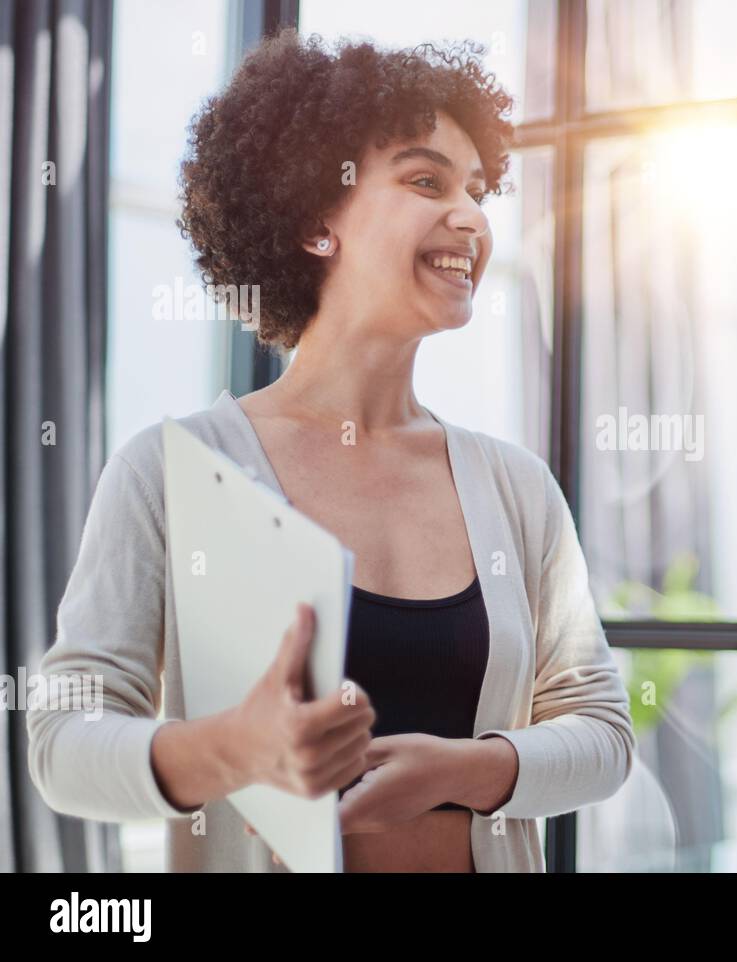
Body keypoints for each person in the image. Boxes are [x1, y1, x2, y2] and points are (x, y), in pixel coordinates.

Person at [26, 29, 633, 873]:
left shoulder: (516, 487)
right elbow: (62, 739)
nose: (471, 216)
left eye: (478, 189)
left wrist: (467, 769)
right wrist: (238, 750)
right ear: (318, 221)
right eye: (427, 181)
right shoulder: (168, 472)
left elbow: (603, 731)